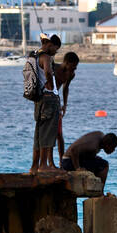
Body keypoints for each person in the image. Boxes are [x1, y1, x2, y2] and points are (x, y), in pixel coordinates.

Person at [30, 34, 60, 173]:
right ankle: (43, 165)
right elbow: (48, 71)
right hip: (48, 98)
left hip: (38, 98)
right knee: (47, 132)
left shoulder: (35, 55)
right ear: (50, 44)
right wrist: (49, 84)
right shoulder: (46, 57)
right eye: (56, 48)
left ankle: (35, 166)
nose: (55, 52)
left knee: (39, 133)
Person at [53, 49, 80, 166]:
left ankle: (61, 160)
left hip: (57, 102)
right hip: (48, 100)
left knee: (59, 134)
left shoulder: (71, 74)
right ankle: (49, 162)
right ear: (67, 63)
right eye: (73, 66)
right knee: (50, 134)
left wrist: (65, 105)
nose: (75, 69)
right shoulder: (54, 69)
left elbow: (65, 88)